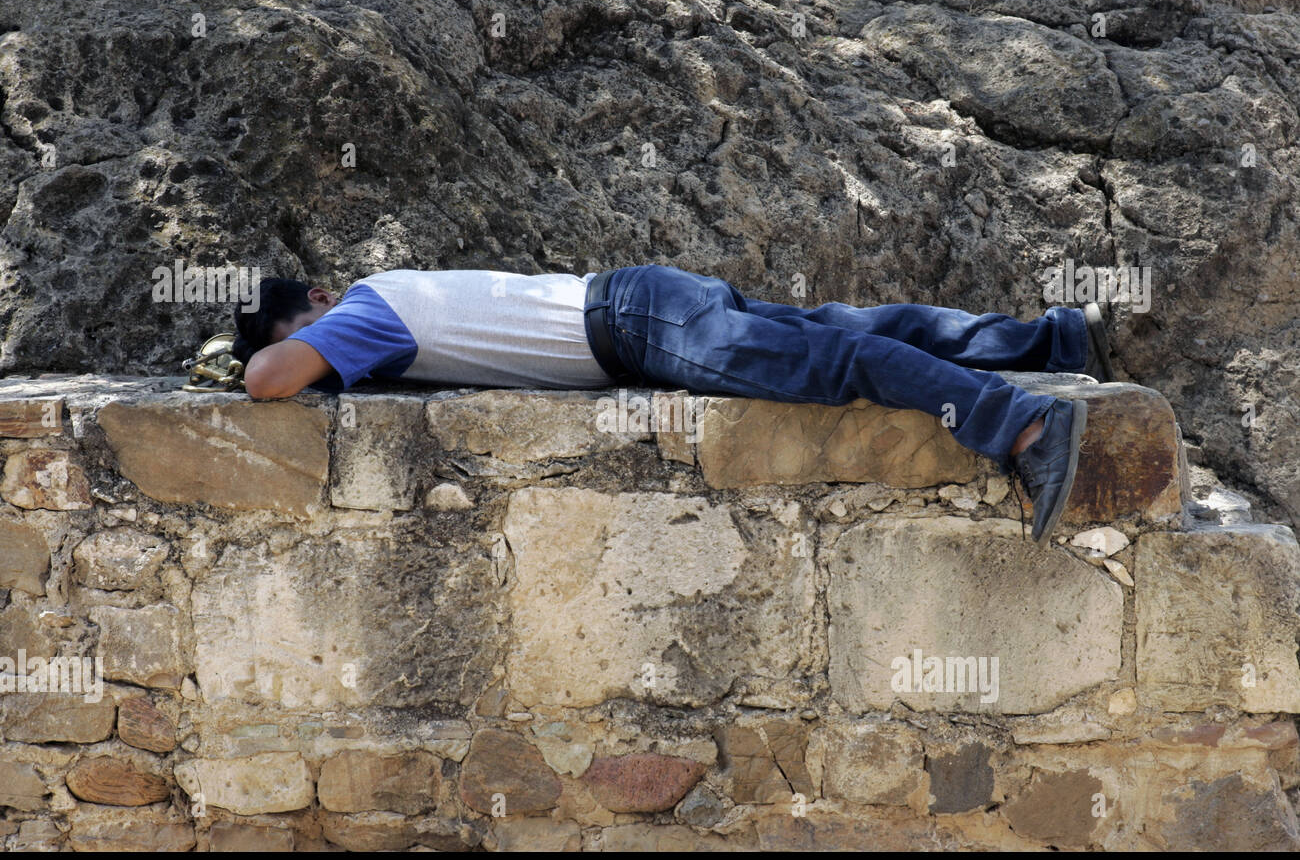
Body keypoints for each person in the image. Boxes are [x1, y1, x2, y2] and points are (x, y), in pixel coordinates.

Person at [232, 265, 1114, 544]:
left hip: (636, 330)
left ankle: (1023, 422)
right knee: (836, 325)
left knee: (838, 358)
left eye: (295, 332)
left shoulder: (357, 314)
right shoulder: (388, 293)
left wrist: (254, 357)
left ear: (310, 304)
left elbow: (270, 381)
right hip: (640, 301)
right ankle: (1049, 343)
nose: (317, 361)